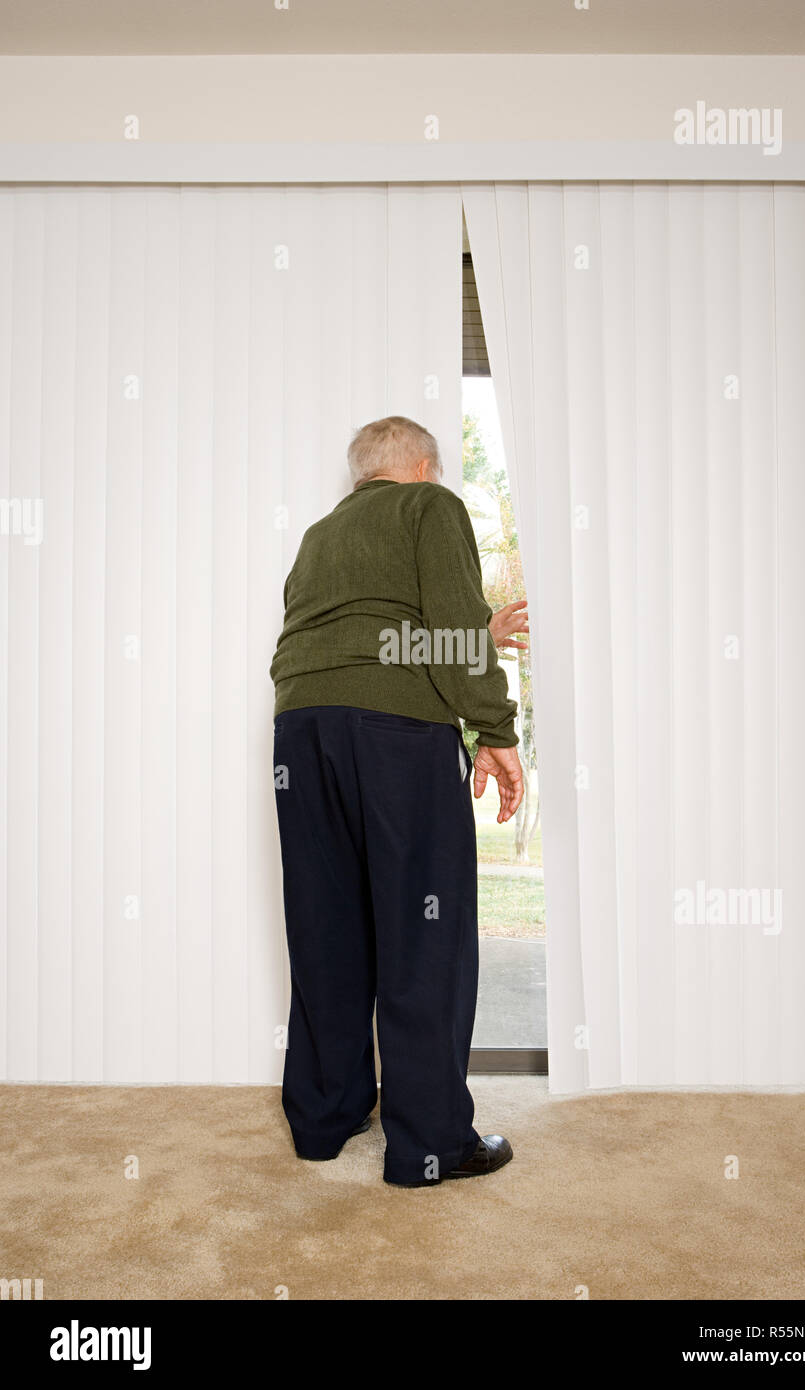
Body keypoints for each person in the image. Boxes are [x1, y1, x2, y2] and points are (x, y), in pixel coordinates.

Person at [270, 415, 527, 1187]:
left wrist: (475, 631)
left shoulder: (319, 536)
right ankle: (431, 1144)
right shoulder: (430, 507)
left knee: (327, 926)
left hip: (300, 730)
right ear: (422, 467)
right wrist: (495, 727)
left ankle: (324, 1117)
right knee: (425, 935)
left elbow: (378, 639)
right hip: (395, 739)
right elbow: (439, 626)